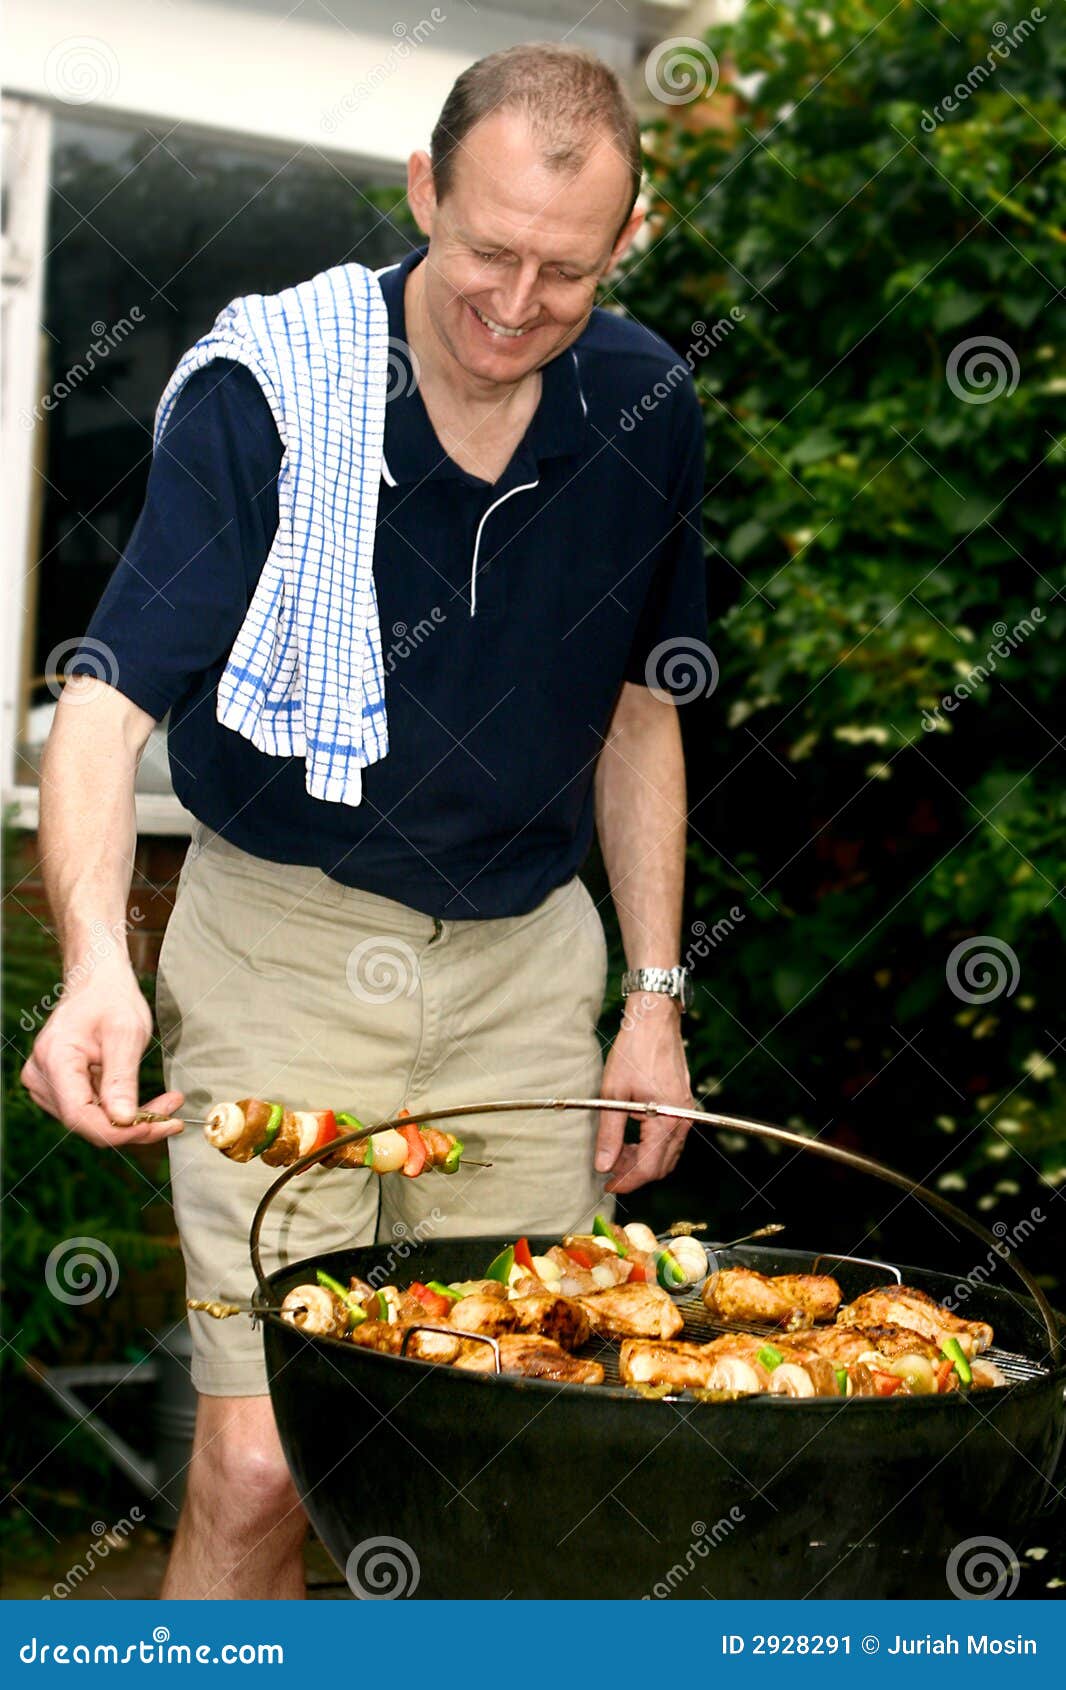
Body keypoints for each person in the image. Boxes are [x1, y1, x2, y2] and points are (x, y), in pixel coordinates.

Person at [22, 42, 707, 1598]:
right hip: (284, 949)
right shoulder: (272, 394)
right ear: (419, 190)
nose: (517, 303)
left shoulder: (644, 403)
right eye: (485, 250)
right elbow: (109, 698)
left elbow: (639, 704)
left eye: (565, 269)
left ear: (629, 242)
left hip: (528, 972)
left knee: (520, 1444)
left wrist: (654, 994)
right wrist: (92, 963)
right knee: (263, 1463)